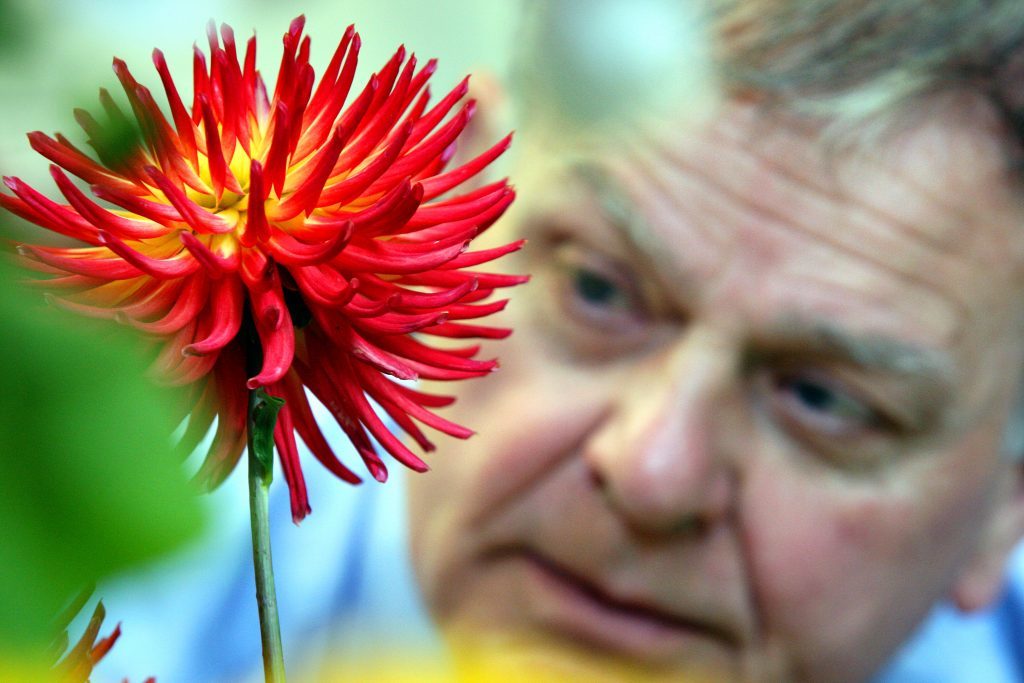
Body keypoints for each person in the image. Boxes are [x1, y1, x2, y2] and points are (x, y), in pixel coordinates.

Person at [98, 1, 1024, 681]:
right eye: (598, 289)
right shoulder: (85, 588)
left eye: (824, 399)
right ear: (441, 202)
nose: (652, 470)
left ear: (1003, 513)